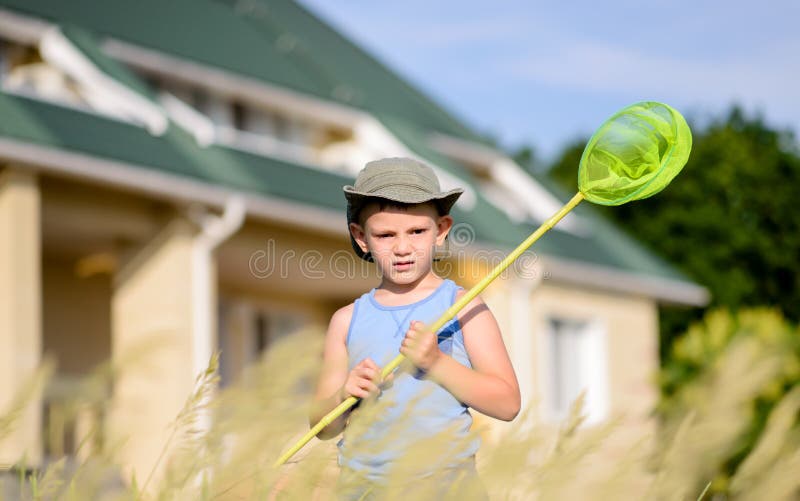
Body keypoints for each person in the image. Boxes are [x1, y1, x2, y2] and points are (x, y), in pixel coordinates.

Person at [309, 157, 520, 499]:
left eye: (417, 231)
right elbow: (320, 427)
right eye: (385, 235)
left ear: (441, 231)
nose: (403, 247)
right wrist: (344, 396)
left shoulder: (463, 306)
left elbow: (507, 404)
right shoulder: (346, 320)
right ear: (361, 237)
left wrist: (437, 363)